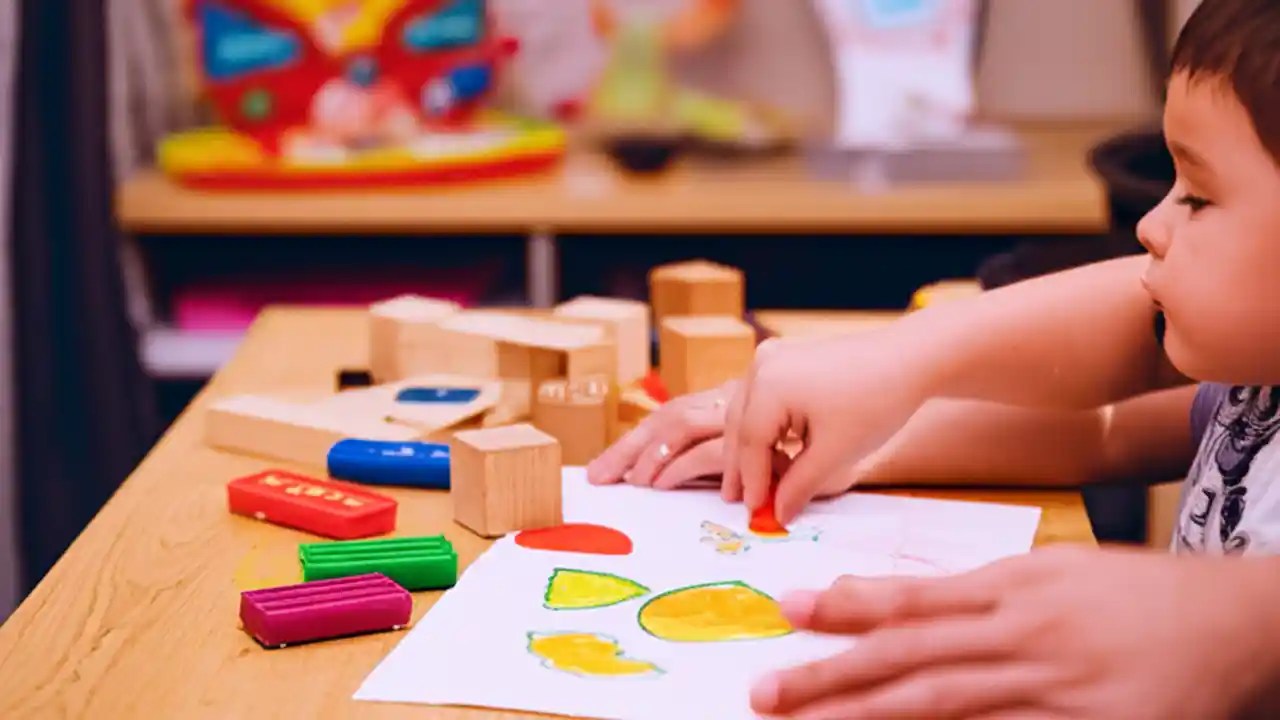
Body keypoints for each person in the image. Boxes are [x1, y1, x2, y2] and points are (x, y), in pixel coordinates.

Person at [587, 1, 1280, 716]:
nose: (1151, 224)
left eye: (1200, 197)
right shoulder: (1254, 382)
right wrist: (875, 415)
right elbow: (1111, 423)